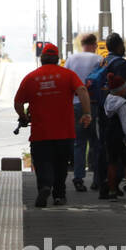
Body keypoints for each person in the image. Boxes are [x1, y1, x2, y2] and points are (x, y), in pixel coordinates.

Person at [15, 43, 92, 209]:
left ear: (42, 58)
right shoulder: (68, 75)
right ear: (57, 59)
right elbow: (83, 91)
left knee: (43, 163)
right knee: (61, 165)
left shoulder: (31, 77)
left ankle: (44, 186)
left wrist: (23, 117)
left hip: (40, 133)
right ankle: (59, 195)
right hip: (64, 132)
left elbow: (18, 102)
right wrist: (87, 113)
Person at [86, 33, 126, 201]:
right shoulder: (121, 63)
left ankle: (100, 181)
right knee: (118, 151)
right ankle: (111, 183)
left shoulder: (104, 61)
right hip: (118, 111)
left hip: (102, 107)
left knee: (103, 146)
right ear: (120, 46)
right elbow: (123, 89)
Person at [63, 33, 101, 192]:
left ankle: (78, 178)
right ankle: (97, 179)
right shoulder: (98, 59)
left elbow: (65, 80)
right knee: (96, 143)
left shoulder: (71, 59)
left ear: (82, 44)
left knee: (79, 143)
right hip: (93, 105)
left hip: (75, 104)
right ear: (95, 44)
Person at [102, 73, 126, 200]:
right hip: (122, 136)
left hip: (110, 134)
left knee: (112, 163)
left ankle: (112, 190)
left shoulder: (108, 100)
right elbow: (125, 121)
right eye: (124, 88)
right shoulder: (122, 103)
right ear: (119, 90)